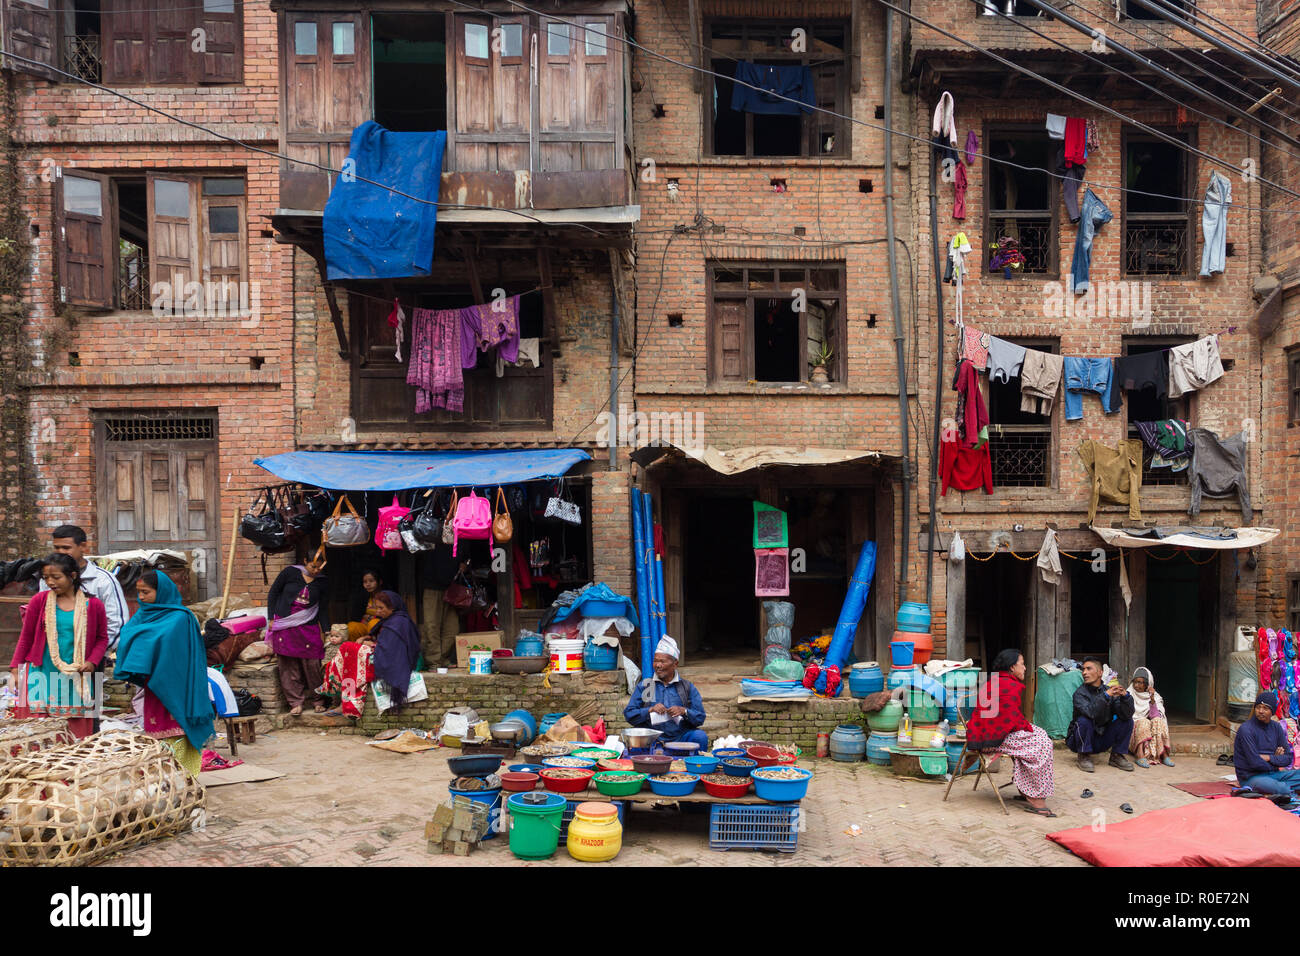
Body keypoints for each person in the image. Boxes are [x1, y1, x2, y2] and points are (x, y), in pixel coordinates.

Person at [114, 571, 214, 777]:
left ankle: (186, 777)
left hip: (178, 684)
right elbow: (129, 637)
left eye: (146, 592)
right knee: (157, 731)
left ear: (162, 592)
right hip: (154, 687)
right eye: (139, 592)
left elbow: (178, 652)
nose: (141, 597)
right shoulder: (142, 615)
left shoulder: (181, 618)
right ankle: (163, 778)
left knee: (179, 729)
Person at [9, 553, 109, 738]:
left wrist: (92, 662)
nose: (51, 582)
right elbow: (26, 637)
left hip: (76, 674)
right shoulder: (40, 601)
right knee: (39, 728)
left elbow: (102, 638)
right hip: (42, 671)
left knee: (74, 729)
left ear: (72, 575)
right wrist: (15, 668)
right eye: (46, 578)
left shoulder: (93, 605)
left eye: (56, 577)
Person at [963, 648, 1057, 817]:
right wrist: (1025, 727)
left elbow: (1008, 718)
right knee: (1043, 744)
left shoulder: (997, 681)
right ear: (1012, 667)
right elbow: (1007, 720)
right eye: (1022, 664)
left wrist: (1025, 727)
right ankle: (1034, 795)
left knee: (1041, 733)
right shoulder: (1007, 685)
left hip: (989, 732)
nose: (1025, 668)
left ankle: (1026, 788)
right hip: (994, 738)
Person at [41, 525, 129, 653]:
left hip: (90, 660)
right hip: (54, 656)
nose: (60, 552)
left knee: (92, 675)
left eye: (66, 548)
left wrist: (95, 655)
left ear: (82, 546)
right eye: (56, 548)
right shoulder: (47, 579)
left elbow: (116, 624)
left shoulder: (102, 580)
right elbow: (41, 618)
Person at [267, 547, 330, 716]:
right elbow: (273, 593)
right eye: (313, 567)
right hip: (285, 625)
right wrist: (271, 618)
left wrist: (327, 630)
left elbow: (323, 608)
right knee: (288, 666)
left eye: (319, 568)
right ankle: (295, 702)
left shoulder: (322, 582)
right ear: (304, 562)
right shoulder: (290, 573)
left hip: (308, 626)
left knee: (313, 665)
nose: (316, 570)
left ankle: (318, 700)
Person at [623, 636, 708, 751]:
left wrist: (684, 711)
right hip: (652, 740)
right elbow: (629, 714)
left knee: (699, 736)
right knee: (634, 741)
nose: (657, 665)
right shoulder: (647, 686)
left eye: (662, 661)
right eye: (655, 661)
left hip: (680, 739)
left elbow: (700, 717)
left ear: (675, 664)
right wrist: (650, 710)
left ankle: (696, 766)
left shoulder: (686, 687)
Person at [1066, 656, 1136, 772]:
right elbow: (1090, 712)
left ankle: (1116, 756)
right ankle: (1083, 755)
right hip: (1079, 741)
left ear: (1100, 672)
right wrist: (1105, 696)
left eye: (1089, 669)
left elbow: (1126, 715)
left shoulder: (1109, 691)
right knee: (1084, 720)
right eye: (1083, 670)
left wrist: (1126, 697)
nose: (1084, 673)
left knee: (1127, 720)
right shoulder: (1079, 693)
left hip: (1101, 739)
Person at [1233, 692, 1300, 798]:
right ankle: (1286, 790)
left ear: (1272, 711)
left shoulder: (1276, 728)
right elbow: (1254, 762)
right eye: (1258, 707)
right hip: (1251, 777)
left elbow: (1288, 758)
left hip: (1273, 774)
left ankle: (1281, 789)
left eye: (1265, 708)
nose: (1260, 711)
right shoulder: (1246, 729)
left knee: (1288, 781)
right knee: (1281, 788)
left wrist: (1269, 757)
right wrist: (1276, 761)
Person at [369, 591, 422, 712]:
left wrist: (372, 645)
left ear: (392, 607)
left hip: (400, 660)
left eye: (381, 608)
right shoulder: (391, 619)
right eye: (376, 608)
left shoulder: (398, 622)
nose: (378, 611)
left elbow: (390, 649)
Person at [417, 544, 466, 668]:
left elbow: (466, 552)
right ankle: (433, 662)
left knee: (452, 627)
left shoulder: (458, 528)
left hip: (451, 586)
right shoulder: (431, 528)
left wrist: (465, 563)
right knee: (432, 625)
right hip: (431, 585)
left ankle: (442, 658)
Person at [1127, 666, 1175, 768]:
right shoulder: (1129, 694)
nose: (1136, 685)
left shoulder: (1156, 697)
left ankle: (1163, 754)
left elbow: (1155, 715)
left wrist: (1152, 699)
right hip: (1133, 733)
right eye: (1135, 682)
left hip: (1152, 732)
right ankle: (1139, 754)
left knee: (1157, 720)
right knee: (1143, 721)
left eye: (1140, 682)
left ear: (1147, 684)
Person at [346, 569, 386, 640]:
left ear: (380, 582)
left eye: (371, 581)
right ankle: (355, 648)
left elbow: (389, 615)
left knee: (374, 623)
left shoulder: (386, 596)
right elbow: (355, 616)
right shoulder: (362, 597)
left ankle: (377, 648)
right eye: (365, 582)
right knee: (351, 627)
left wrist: (371, 618)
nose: (368, 584)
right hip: (364, 626)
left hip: (381, 626)